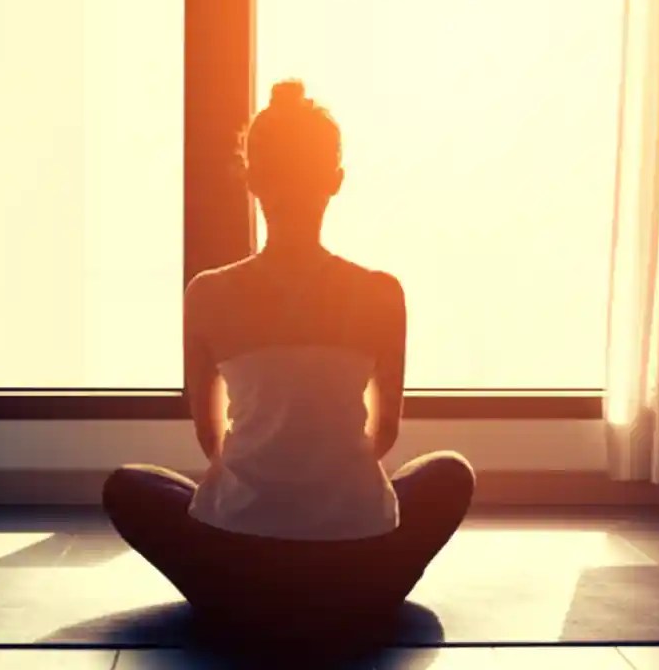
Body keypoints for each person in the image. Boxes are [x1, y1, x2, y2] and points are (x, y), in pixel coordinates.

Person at [102, 79, 474, 643]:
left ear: (251, 180)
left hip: (239, 568)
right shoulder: (381, 294)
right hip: (358, 568)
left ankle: (252, 602)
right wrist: (323, 482)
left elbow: (210, 440)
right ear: (336, 181)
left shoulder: (207, 294)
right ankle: (346, 601)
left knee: (129, 487)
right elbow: (386, 432)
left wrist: (272, 486)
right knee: (449, 473)